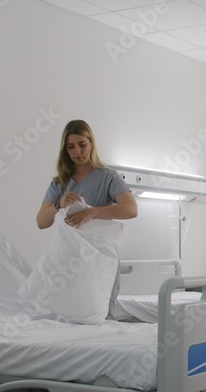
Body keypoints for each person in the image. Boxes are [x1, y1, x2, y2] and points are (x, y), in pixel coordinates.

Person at [36, 119, 138, 319]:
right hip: (69, 264)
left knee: (100, 318)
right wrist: (59, 205)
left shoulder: (108, 177)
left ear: (91, 143)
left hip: (100, 261)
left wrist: (92, 212)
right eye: (71, 147)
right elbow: (41, 222)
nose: (77, 152)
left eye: (82, 144)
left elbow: (131, 209)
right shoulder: (60, 183)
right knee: (69, 319)